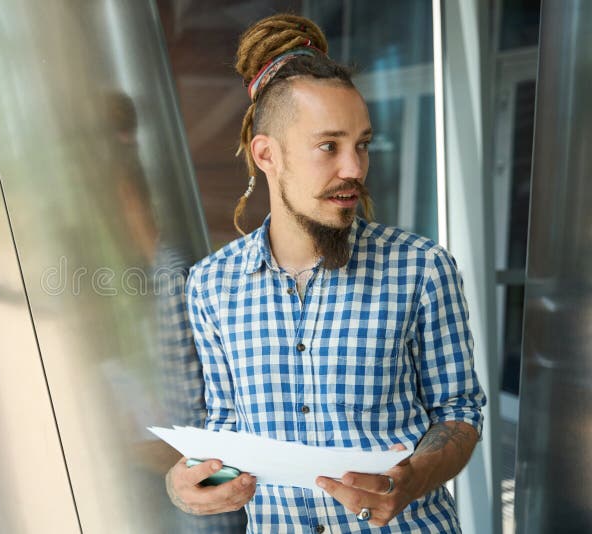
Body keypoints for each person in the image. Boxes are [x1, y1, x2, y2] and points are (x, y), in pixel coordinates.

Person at [165, 13, 487, 533]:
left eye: (361, 144)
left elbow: (460, 413)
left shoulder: (422, 268)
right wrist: (186, 483)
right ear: (267, 154)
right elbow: (227, 428)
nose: (355, 168)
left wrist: (410, 479)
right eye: (329, 146)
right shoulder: (210, 285)